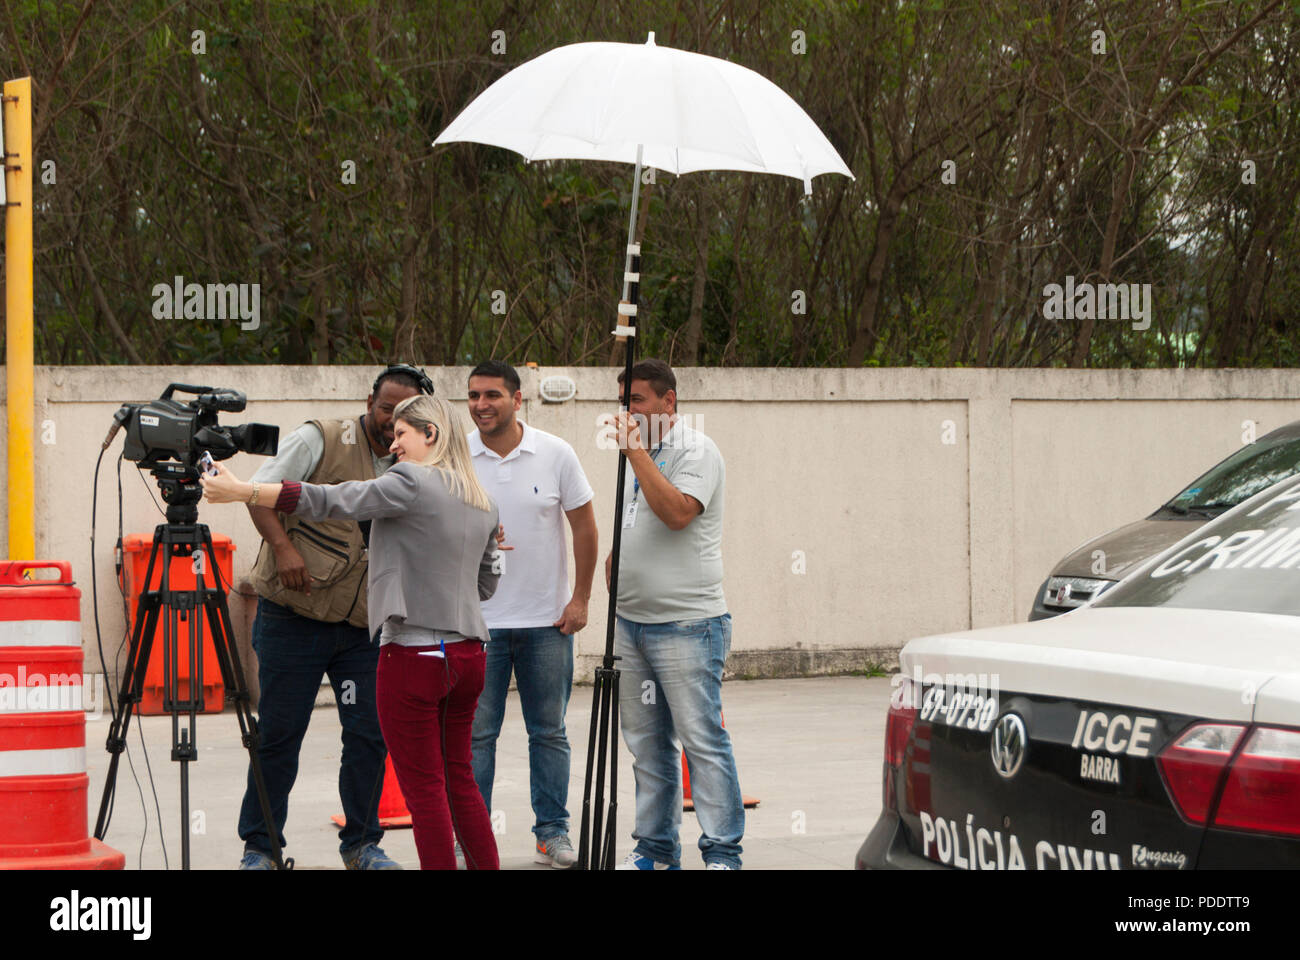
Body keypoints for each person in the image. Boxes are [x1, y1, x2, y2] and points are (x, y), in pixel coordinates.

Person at [204, 394, 503, 871]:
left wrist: (245, 491)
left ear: (432, 434)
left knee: (424, 790)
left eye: (403, 433)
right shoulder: (481, 498)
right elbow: (487, 583)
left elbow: (331, 499)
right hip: (468, 658)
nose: (394, 443)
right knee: (459, 780)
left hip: (412, 658)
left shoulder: (408, 481)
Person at [236, 364, 431, 871]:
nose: (394, 420)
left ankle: (363, 845)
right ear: (370, 400)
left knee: (369, 736)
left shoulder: (419, 456)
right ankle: (261, 847)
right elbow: (259, 491)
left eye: (406, 413)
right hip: (293, 616)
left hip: (365, 626)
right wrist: (282, 548)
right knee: (279, 733)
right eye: (387, 407)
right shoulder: (321, 437)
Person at [606, 358, 744, 870]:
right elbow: (640, 516)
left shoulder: (695, 450)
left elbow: (678, 513)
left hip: (687, 624)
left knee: (701, 741)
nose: (627, 412)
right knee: (647, 746)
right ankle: (656, 850)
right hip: (632, 623)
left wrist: (636, 451)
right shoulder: (637, 454)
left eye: (636, 401)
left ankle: (723, 852)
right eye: (623, 402)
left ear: (669, 401)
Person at [465, 361, 598, 869]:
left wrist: (580, 599)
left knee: (549, 732)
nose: (481, 405)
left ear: (518, 399)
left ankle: (552, 834)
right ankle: (470, 837)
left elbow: (585, 528)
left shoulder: (556, 453)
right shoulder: (457, 457)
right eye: (474, 395)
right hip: (477, 625)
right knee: (476, 736)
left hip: (547, 623)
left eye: (492, 395)